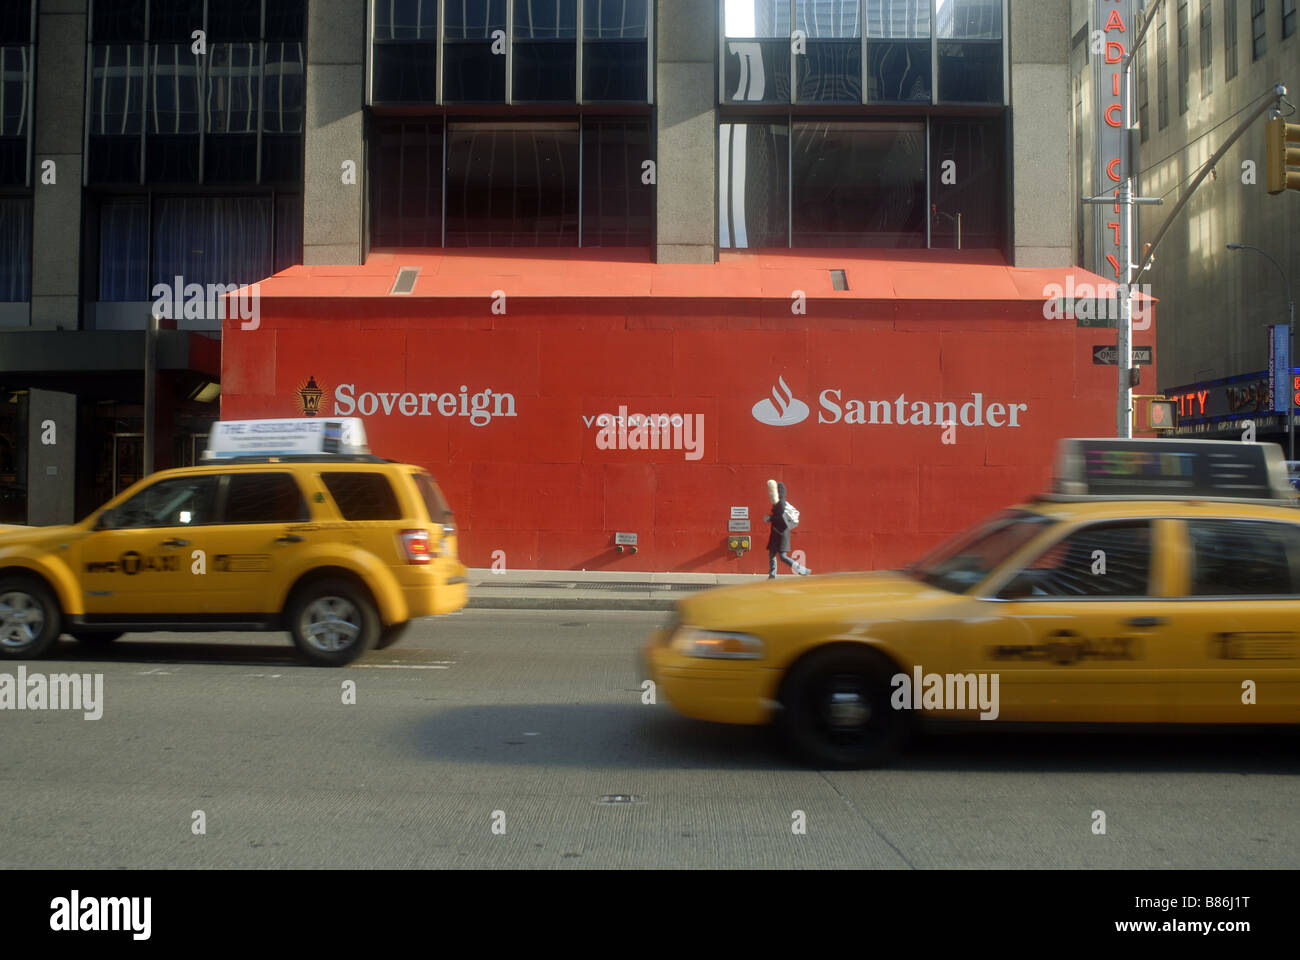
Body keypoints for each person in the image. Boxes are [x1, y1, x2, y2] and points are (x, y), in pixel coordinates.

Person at [765, 478, 810, 578]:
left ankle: (803, 570)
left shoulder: (781, 504)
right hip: (777, 534)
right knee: (772, 555)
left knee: (782, 557)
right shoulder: (779, 503)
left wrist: (770, 518)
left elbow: (780, 518)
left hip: (781, 535)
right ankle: (772, 576)